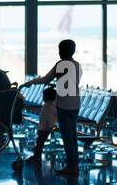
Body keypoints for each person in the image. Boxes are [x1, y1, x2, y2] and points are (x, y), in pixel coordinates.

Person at [24, 38, 82, 176]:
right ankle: (74, 164)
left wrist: (30, 83)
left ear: (63, 51)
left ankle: (71, 166)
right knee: (72, 136)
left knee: (67, 137)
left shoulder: (60, 65)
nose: (59, 52)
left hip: (63, 104)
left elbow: (45, 79)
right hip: (75, 103)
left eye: (60, 50)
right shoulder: (77, 65)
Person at [28, 86, 59, 163]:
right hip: (45, 127)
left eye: (43, 96)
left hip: (44, 128)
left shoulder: (47, 106)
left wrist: (52, 126)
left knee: (39, 143)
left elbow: (49, 118)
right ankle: (36, 157)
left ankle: (36, 157)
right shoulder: (52, 106)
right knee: (39, 143)